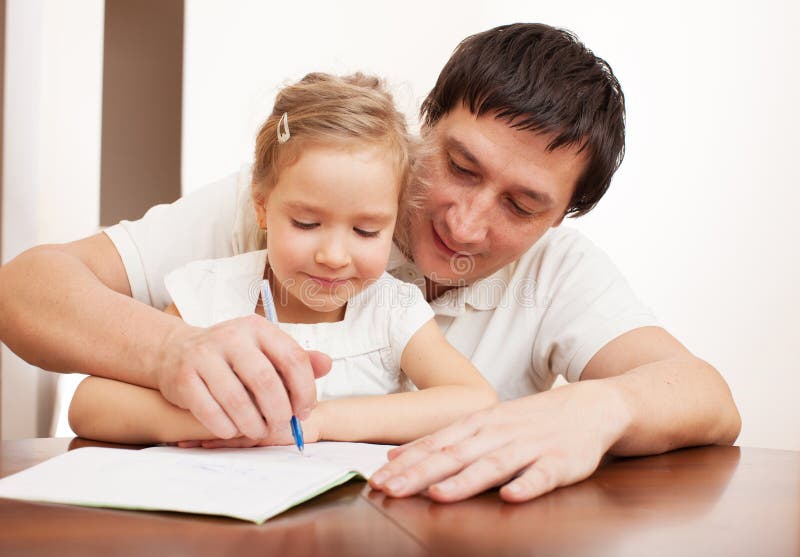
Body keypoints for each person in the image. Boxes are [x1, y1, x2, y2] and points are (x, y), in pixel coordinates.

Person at [0, 23, 740, 502]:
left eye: (522, 206)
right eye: (457, 165)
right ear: (427, 124)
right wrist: (175, 352)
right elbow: (26, 290)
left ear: (563, 215)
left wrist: (599, 406)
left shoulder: (559, 271)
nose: (465, 220)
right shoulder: (299, 200)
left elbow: (707, 396)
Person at [67, 72, 497, 445]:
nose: (332, 256)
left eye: (366, 231)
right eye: (307, 224)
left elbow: (475, 401)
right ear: (261, 206)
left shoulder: (392, 310)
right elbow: (89, 407)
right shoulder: (212, 294)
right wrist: (223, 422)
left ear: (395, 220)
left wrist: (321, 422)